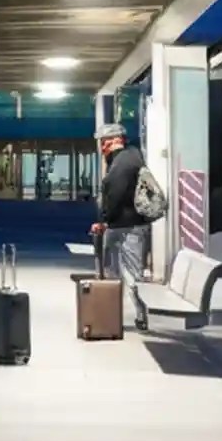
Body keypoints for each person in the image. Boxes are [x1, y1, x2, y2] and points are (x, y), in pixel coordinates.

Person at [90, 123, 152, 330]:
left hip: (125, 226)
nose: (102, 147)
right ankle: (119, 313)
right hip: (126, 225)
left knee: (122, 272)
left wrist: (106, 220)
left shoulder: (122, 163)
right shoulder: (128, 158)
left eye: (104, 142)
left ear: (115, 140)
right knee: (119, 271)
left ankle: (122, 314)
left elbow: (114, 194)